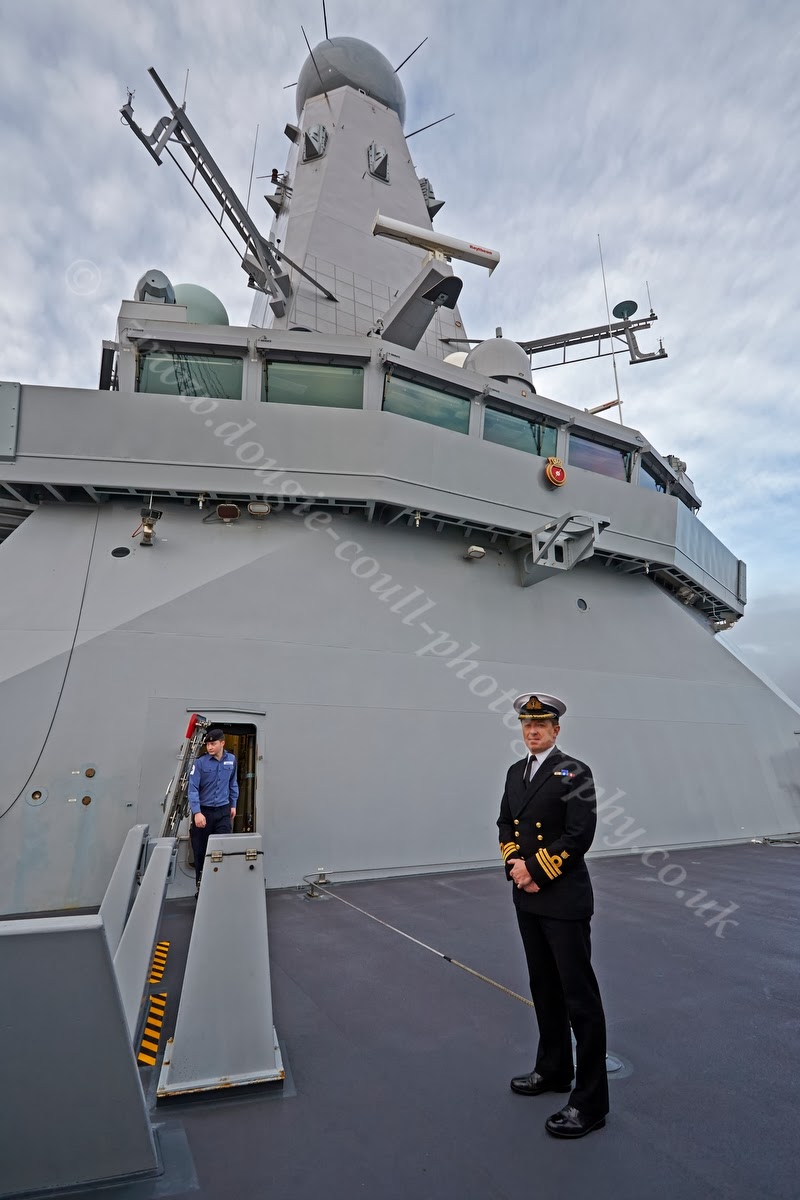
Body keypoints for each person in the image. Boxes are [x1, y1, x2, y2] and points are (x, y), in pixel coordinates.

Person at [497, 692, 608, 1138]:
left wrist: (536, 871)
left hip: (562, 899)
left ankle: (590, 1102)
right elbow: (505, 824)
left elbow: (581, 834)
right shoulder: (514, 772)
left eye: (541, 724)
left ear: (556, 730)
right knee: (543, 988)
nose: (533, 730)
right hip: (528, 897)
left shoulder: (574, 771)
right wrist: (515, 868)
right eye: (527, 724)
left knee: (579, 999)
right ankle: (553, 1069)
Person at [188, 728, 238, 897]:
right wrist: (197, 812)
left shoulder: (231, 760)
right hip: (205, 812)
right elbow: (193, 788)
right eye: (208, 744)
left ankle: (220, 888)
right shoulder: (200, 763)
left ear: (222, 743)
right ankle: (201, 889)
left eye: (213, 744)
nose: (209, 747)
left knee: (223, 848)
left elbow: (233, 783)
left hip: (223, 811)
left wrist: (233, 804)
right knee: (201, 851)